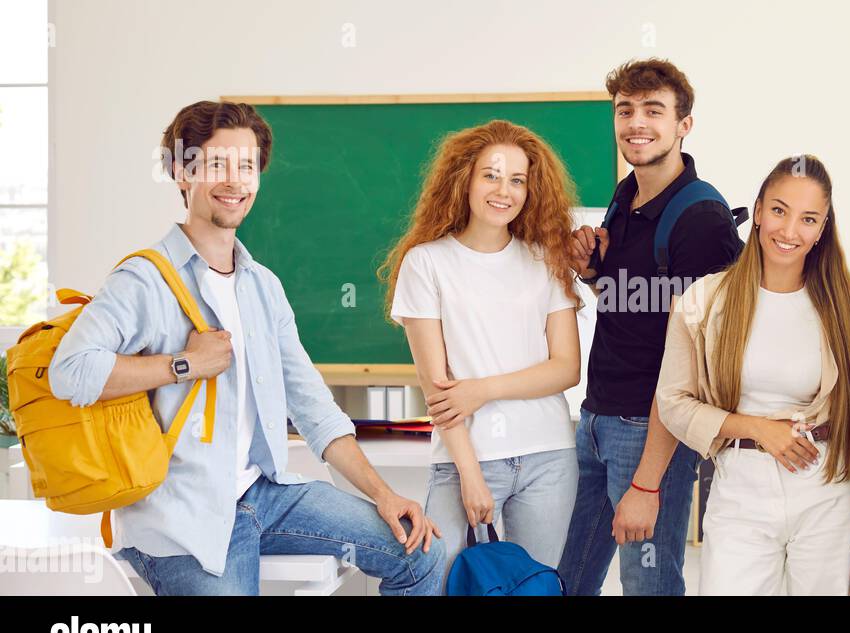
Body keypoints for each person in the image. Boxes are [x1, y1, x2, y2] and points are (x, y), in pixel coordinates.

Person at [49, 101, 444, 595]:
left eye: (247, 166)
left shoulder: (262, 286)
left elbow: (314, 408)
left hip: (264, 495)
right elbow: (70, 372)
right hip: (181, 517)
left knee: (419, 551)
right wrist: (185, 364)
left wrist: (384, 495)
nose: (235, 181)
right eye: (216, 164)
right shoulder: (144, 280)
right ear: (180, 171)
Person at [656, 154, 850, 595]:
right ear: (757, 212)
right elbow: (673, 403)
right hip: (741, 488)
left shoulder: (838, 308)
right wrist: (759, 428)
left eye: (808, 219)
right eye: (779, 210)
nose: (789, 230)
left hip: (826, 492)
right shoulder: (703, 300)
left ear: (821, 230)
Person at [558, 58, 743, 596]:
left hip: (649, 430)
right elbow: (632, 306)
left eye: (653, 111)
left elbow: (691, 362)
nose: (636, 123)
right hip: (594, 419)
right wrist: (592, 271)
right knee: (567, 581)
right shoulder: (625, 196)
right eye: (626, 110)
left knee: (650, 585)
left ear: (684, 124)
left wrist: (647, 481)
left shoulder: (702, 221)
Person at [379, 120, 581, 575]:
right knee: (443, 579)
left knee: (535, 586)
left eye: (517, 180)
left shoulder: (545, 260)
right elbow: (439, 389)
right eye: (490, 175)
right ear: (464, 179)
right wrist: (470, 475)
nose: (503, 191)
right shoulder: (426, 263)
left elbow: (566, 368)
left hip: (548, 456)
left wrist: (482, 389)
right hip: (464, 459)